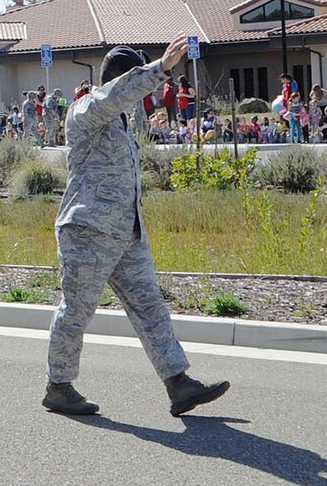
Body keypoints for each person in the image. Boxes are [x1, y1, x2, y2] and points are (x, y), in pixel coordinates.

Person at [41, 40, 229, 418]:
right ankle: (58, 387)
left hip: (127, 233)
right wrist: (159, 68)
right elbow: (113, 96)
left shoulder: (122, 120)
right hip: (88, 230)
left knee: (151, 308)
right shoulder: (86, 109)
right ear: (118, 78)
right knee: (77, 310)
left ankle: (178, 382)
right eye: (134, 78)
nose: (144, 89)